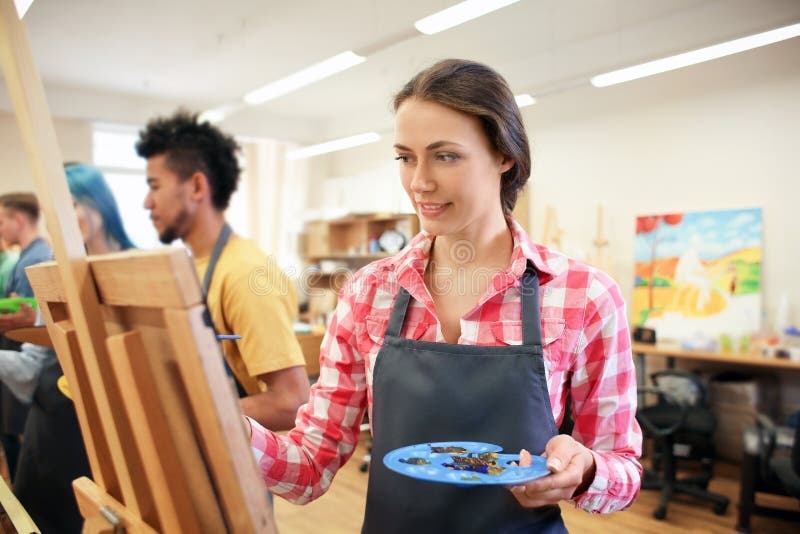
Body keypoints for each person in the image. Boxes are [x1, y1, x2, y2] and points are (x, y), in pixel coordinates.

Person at [246, 59, 642, 533]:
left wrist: (586, 470)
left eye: (445, 155)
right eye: (405, 157)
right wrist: (222, 423)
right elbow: (310, 465)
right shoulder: (368, 293)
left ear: (505, 156)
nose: (419, 182)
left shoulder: (585, 296)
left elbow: (623, 468)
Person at [136, 111, 309, 430]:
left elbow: (291, 401)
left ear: (197, 187)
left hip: (237, 463)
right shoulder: (192, 267)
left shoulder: (243, 272)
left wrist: (184, 415)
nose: (147, 202)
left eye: (155, 186)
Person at [4, 163, 136, 533]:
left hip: (106, 431)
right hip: (52, 422)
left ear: (98, 203)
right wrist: (32, 325)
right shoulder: (54, 270)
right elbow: (50, 348)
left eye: (70, 204)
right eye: (52, 210)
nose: (60, 219)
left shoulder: (136, 270)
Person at [0, 192, 52, 482]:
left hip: (34, 366)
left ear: (18, 220)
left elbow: (43, 321)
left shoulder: (40, 259)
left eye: (1, 221)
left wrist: (27, 318)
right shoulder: (26, 257)